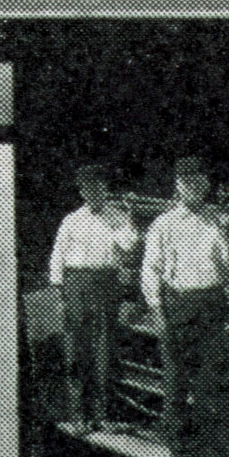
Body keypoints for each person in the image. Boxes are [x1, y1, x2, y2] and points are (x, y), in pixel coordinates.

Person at [140, 156, 229, 457]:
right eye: (187, 183)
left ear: (207, 186)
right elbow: (150, 270)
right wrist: (156, 309)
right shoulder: (164, 224)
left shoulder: (219, 221)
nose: (194, 188)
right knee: (176, 380)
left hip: (211, 305)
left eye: (199, 183)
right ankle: (175, 449)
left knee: (209, 383)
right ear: (178, 186)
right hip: (177, 305)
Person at [46, 163, 140, 432]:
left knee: (104, 350)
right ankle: (79, 416)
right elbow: (57, 258)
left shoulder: (119, 216)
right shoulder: (71, 220)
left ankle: (105, 416)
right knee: (76, 350)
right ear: (80, 190)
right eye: (87, 188)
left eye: (98, 186)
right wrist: (58, 293)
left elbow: (130, 246)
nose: (93, 192)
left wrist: (127, 218)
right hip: (75, 285)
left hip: (105, 284)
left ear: (106, 188)